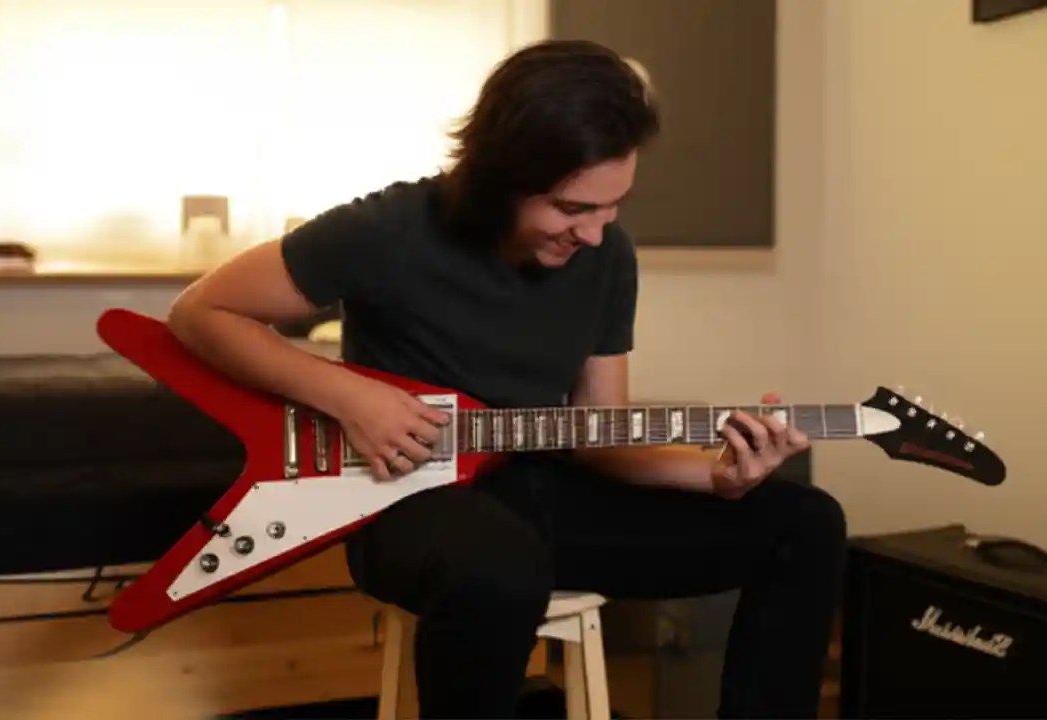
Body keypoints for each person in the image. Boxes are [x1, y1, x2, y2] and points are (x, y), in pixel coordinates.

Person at [166, 39, 847, 719]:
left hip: (540, 489)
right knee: (499, 571)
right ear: (501, 176)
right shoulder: (390, 229)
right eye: (572, 209)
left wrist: (717, 477)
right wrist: (350, 396)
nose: (595, 232)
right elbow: (202, 312)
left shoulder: (606, 258)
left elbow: (600, 437)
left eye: (614, 206)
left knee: (805, 523)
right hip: (401, 501)